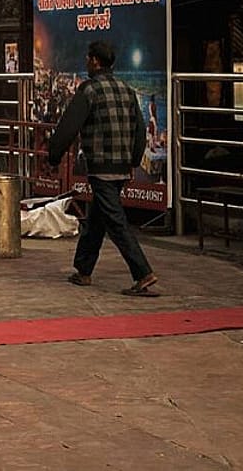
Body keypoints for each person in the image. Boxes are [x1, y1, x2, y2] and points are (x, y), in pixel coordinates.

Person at [48, 40, 158, 295]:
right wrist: (133, 160)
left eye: (88, 58)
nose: (86, 62)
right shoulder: (127, 90)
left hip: (101, 167)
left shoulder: (89, 90)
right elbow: (140, 131)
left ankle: (143, 273)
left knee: (116, 222)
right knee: (98, 216)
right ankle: (83, 270)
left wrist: (54, 156)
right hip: (122, 167)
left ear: (95, 61)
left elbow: (68, 127)